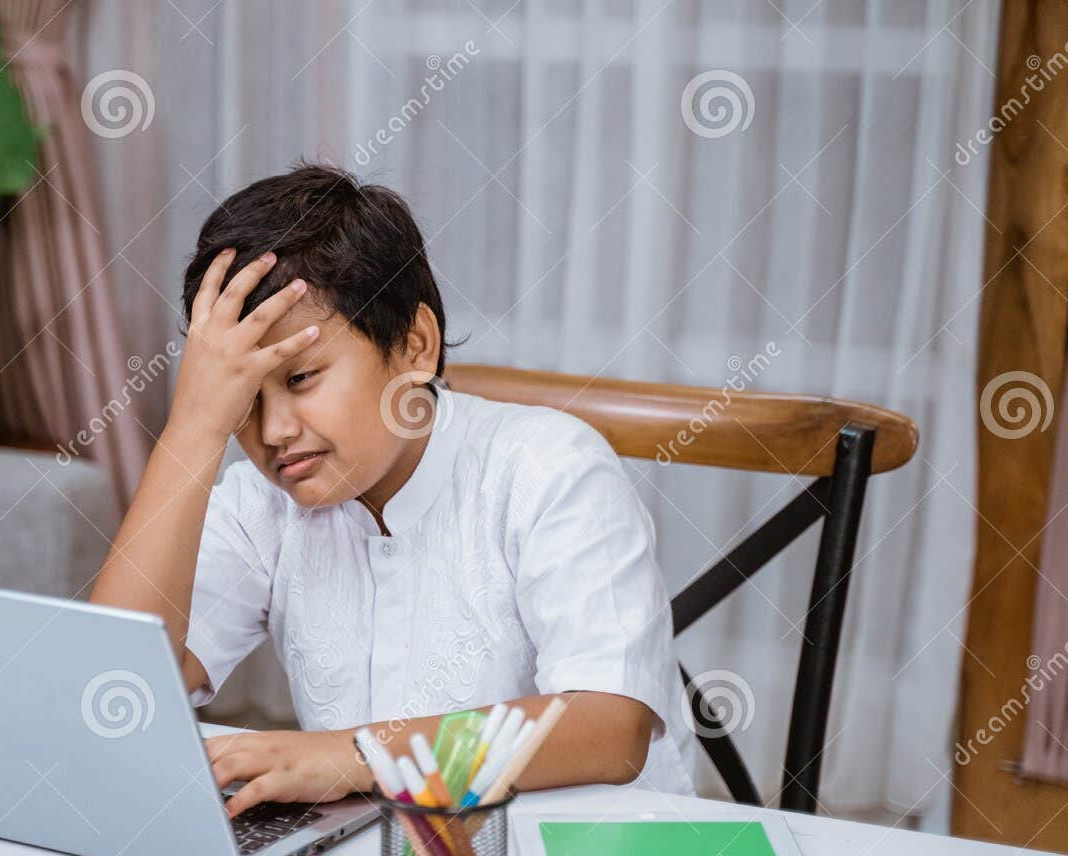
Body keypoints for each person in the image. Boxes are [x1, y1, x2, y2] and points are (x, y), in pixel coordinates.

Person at [90, 164, 694, 816]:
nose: (273, 431)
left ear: (415, 346)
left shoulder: (549, 467)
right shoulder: (258, 501)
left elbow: (610, 726)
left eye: (301, 378)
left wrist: (354, 756)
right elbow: (115, 689)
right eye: (242, 396)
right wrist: (194, 427)